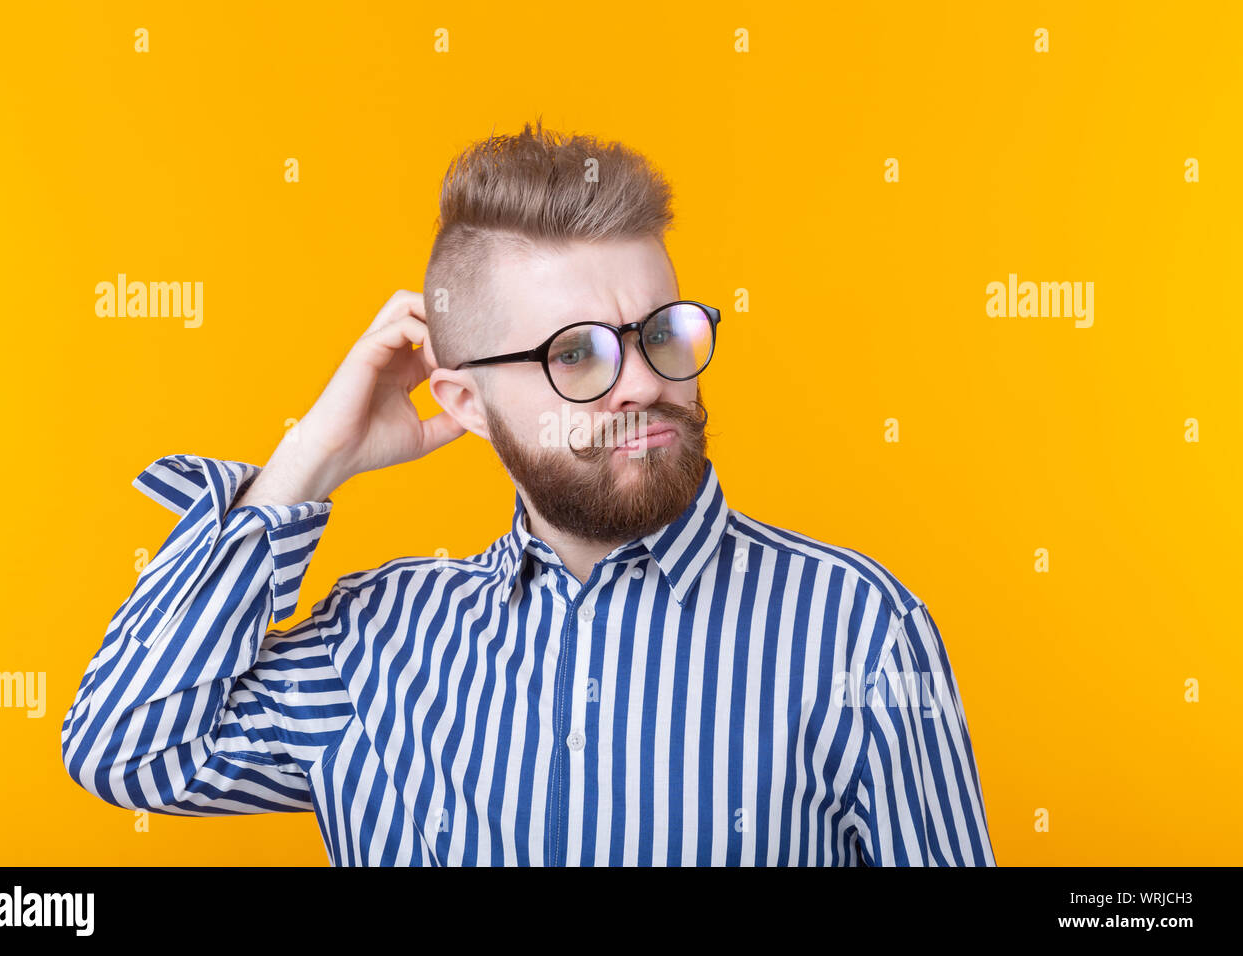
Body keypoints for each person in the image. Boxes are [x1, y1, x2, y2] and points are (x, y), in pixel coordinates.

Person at [61, 118, 996, 866]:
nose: (643, 382)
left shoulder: (860, 629)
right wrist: (308, 460)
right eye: (577, 353)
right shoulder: (372, 644)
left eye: (662, 331)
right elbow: (127, 746)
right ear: (464, 399)